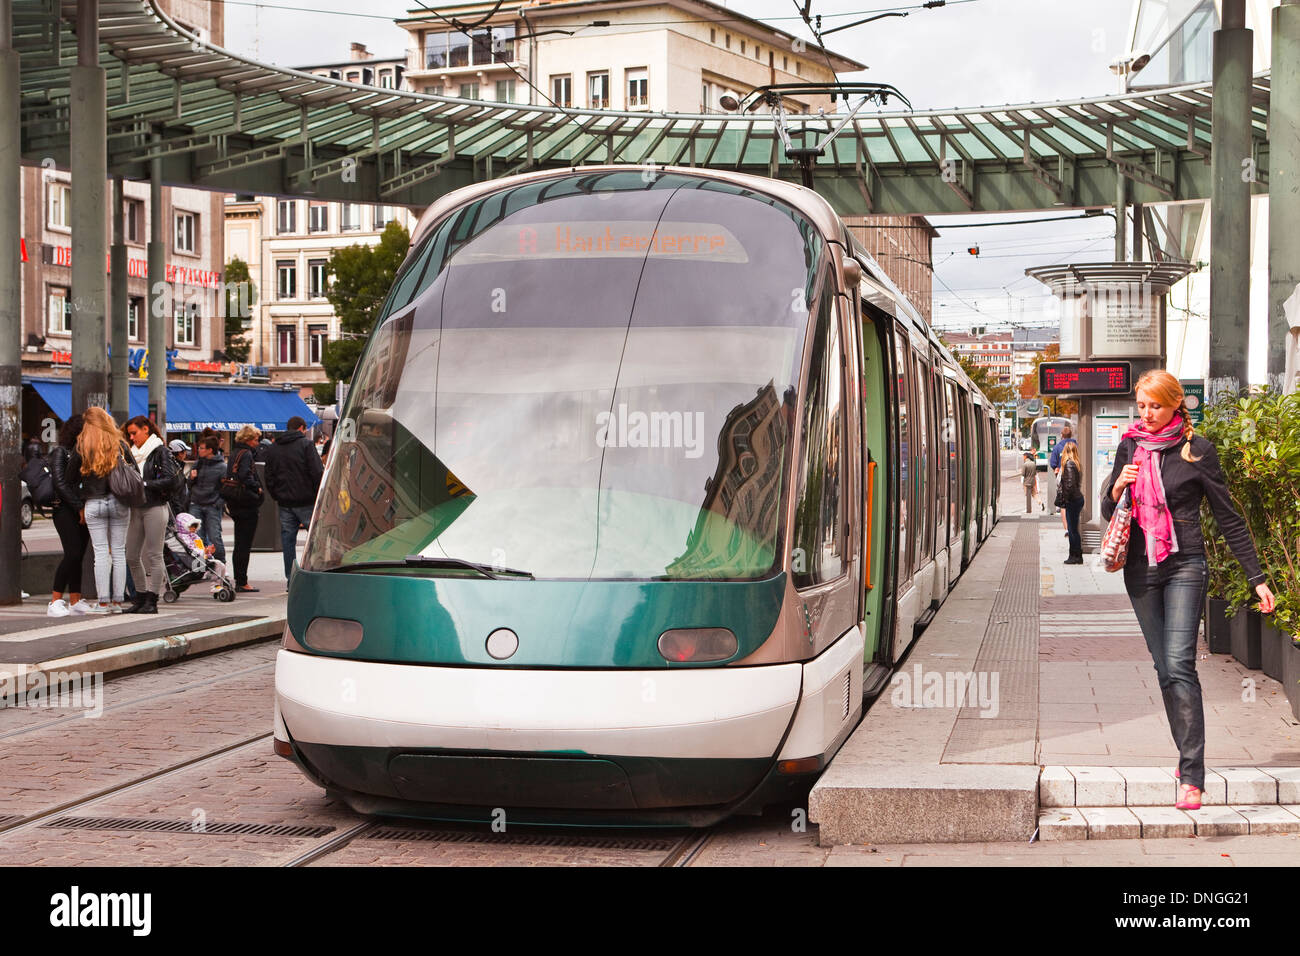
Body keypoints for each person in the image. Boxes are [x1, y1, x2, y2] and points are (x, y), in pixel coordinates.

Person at [1102, 370, 1277, 812]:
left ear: (1176, 405)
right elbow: (1107, 508)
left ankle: (1192, 775)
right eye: (1141, 406)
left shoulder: (1198, 451)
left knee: (1180, 663)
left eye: (1155, 406)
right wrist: (1117, 486)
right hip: (1140, 567)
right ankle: (1189, 764)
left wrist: (1257, 578)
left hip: (1185, 563)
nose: (1147, 414)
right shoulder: (1130, 444)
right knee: (1164, 668)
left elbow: (1229, 517)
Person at [75, 407, 133, 613]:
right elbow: (134, 470)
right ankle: (117, 603)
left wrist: (78, 504)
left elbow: (68, 478)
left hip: (93, 502)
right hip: (119, 502)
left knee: (100, 553)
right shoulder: (120, 445)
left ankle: (102, 602)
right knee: (118, 552)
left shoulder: (82, 446)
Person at [122, 415, 179, 614]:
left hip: (155, 506)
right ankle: (140, 598)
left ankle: (152, 600)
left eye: (134, 433)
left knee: (154, 554)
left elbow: (169, 480)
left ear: (146, 429)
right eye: (129, 434)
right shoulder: (131, 453)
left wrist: (142, 484)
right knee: (131, 555)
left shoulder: (160, 450)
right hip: (136, 507)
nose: (132, 438)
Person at [263, 415, 323, 586]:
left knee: (288, 541)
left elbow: (269, 476)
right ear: (302, 428)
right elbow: (317, 472)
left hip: (285, 503)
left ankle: (292, 580)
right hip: (306, 501)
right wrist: (317, 494)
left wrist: (277, 495)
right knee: (314, 539)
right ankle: (314, 576)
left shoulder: (274, 448)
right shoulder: (306, 445)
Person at [46, 415, 92, 616]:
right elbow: (60, 484)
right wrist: (78, 507)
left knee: (78, 555)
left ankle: (75, 600)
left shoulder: (84, 453)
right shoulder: (60, 452)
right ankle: (54, 601)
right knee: (72, 553)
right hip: (65, 509)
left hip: (81, 507)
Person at [227, 425, 264, 593]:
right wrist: (257, 487)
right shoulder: (247, 454)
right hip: (246, 503)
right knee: (245, 544)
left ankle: (239, 578)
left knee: (239, 543)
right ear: (248, 439)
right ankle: (242, 581)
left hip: (235, 502)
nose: (257, 442)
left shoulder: (234, 453)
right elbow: (244, 475)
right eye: (256, 439)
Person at [188, 435, 227, 563]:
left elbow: (226, 488)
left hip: (212, 505)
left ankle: (221, 563)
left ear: (210, 450)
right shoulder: (198, 463)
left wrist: (218, 503)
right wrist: (192, 478)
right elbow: (189, 484)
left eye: (202, 448)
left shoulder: (222, 467)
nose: (199, 450)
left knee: (214, 536)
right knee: (197, 537)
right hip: (196, 504)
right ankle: (202, 564)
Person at [1058, 441, 1085, 564]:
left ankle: (1075, 556)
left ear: (1066, 451)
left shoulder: (1069, 464)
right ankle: (1076, 555)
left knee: (1072, 530)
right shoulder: (1076, 463)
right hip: (1077, 499)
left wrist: (1066, 500)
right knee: (1074, 529)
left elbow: (1069, 485)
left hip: (1072, 500)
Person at [1050, 424, 1076, 535]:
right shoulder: (1077, 445)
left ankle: (1067, 529)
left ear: (1062, 435)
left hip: (1063, 478)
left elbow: (1053, 464)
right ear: (1071, 434)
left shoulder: (1057, 447)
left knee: (1064, 504)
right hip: (1076, 477)